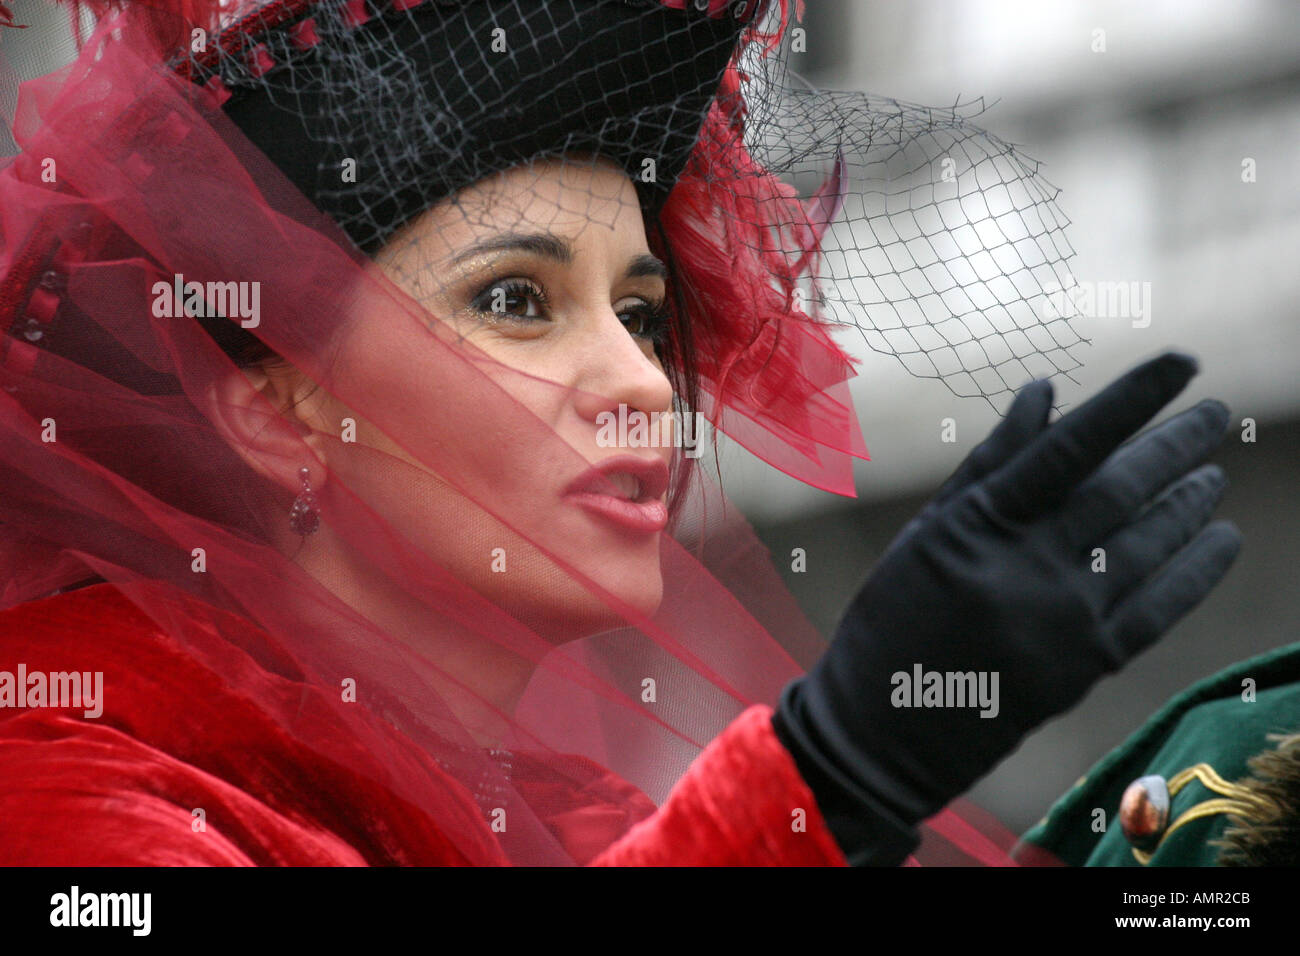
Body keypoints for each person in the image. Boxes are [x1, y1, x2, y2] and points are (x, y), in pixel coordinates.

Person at [0, 0, 1240, 866]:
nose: (639, 382)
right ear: (277, 413)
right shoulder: (62, 788)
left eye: (642, 313)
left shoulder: (574, 828)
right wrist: (830, 772)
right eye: (513, 300)